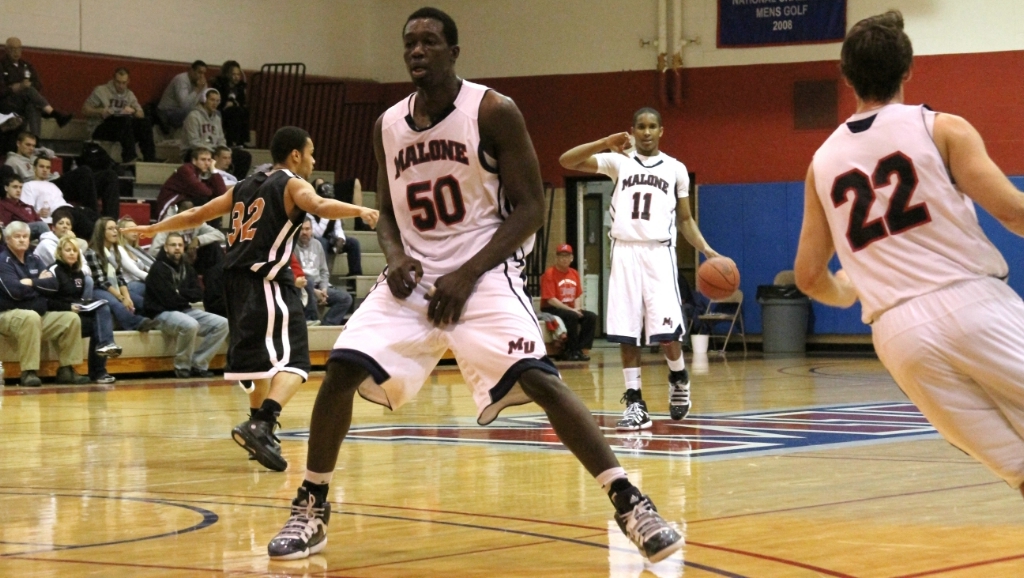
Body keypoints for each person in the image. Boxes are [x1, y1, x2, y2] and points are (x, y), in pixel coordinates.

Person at [255, 8, 683, 563]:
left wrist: (468, 272)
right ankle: (312, 504)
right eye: (409, 42)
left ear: (454, 53)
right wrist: (395, 255)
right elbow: (387, 213)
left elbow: (530, 210)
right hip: (413, 278)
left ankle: (630, 501)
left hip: (484, 274)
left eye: (430, 41)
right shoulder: (387, 123)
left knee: (541, 380)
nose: (417, 50)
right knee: (340, 369)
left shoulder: (493, 110)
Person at [794, 10, 1024, 498]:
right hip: (974, 305)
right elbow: (1014, 214)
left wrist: (850, 291)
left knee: (1020, 470)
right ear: (909, 68)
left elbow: (810, 277)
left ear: (846, 75)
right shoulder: (941, 128)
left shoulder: (821, 163)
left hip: (900, 337)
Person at [120, 125, 378, 473]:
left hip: (234, 284)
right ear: (296, 154)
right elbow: (318, 205)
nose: (314, 160)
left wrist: (153, 229)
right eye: (311, 153)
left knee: (258, 366)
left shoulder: (242, 186)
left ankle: (258, 428)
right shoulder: (290, 183)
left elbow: (198, 214)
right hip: (267, 280)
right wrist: (359, 211)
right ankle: (264, 423)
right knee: (297, 362)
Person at [560, 107, 723, 430]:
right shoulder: (619, 162)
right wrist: (604, 142)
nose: (646, 132)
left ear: (662, 131)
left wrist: (705, 249)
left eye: (652, 126)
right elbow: (567, 160)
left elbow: (686, 219)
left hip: (659, 254)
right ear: (631, 130)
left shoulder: (676, 169)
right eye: (640, 127)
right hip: (624, 253)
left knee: (667, 335)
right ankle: (635, 402)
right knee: (626, 332)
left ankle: (678, 376)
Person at [0, 221, 88, 386]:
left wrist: (31, 283)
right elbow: (15, 292)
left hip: (36, 312)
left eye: (25, 236)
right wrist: (39, 285)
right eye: (17, 237)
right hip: (7, 315)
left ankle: (67, 370)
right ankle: (29, 372)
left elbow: (53, 285)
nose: (22, 240)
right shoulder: (3, 262)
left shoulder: (34, 258)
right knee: (31, 317)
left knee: (70, 319)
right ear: (8, 240)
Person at [144, 232, 228, 379]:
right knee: (190, 325)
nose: (177, 248)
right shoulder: (157, 268)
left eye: (180, 245)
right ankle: (182, 367)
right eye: (173, 245)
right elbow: (167, 300)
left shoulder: (187, 268)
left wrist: (178, 292)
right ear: (165, 247)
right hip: (161, 313)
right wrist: (183, 295)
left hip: (184, 310)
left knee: (223, 324)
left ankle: (199, 363)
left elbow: (198, 293)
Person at [45, 235, 121, 383]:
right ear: (60, 252)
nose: (72, 253)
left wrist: (83, 305)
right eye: (68, 250)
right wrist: (68, 307)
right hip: (57, 317)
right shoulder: (53, 270)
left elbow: (77, 298)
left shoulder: (79, 273)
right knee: (99, 325)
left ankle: (100, 367)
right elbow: (46, 300)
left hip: (75, 315)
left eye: (75, 250)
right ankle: (101, 363)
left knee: (102, 311)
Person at [85, 217, 159, 332]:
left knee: (141, 302)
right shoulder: (92, 252)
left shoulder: (114, 252)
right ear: (101, 232)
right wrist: (121, 297)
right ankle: (137, 323)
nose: (115, 231)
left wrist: (127, 297)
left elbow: (119, 277)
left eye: (115, 228)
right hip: (97, 289)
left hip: (113, 287)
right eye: (110, 229)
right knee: (116, 303)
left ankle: (153, 322)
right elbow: (101, 281)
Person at [0, 37, 72, 136]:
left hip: (26, 100)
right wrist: (14, 88)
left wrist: (26, 86)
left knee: (33, 105)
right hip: (7, 102)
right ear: (6, 50)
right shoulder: (2, 65)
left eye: (19, 48)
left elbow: (38, 84)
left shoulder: (26, 65)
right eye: (12, 49)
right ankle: (55, 114)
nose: (16, 52)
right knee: (28, 90)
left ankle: (36, 141)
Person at [82, 67, 156, 163]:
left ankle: (150, 159)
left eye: (124, 83)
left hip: (123, 127)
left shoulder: (129, 95)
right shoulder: (101, 91)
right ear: (113, 80)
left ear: (128, 81)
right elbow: (85, 110)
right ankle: (129, 157)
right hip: (101, 127)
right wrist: (101, 111)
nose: (121, 86)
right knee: (124, 121)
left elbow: (141, 114)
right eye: (118, 82)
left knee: (144, 123)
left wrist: (133, 111)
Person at [539, 243, 597, 362]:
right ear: (557, 258)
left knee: (591, 317)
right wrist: (571, 310)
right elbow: (551, 299)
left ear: (572, 258)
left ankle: (581, 349)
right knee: (571, 316)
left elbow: (577, 295)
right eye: (561, 256)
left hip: (569, 308)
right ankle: (570, 351)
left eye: (567, 256)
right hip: (551, 307)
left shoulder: (574, 273)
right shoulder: (549, 274)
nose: (564, 259)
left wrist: (578, 309)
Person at [182, 88, 251, 179]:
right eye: (212, 100)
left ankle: (234, 183)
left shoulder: (217, 118)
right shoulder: (193, 116)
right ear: (204, 100)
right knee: (212, 155)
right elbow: (193, 142)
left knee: (244, 156)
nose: (215, 103)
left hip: (214, 150)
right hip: (194, 151)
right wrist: (213, 150)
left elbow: (221, 139)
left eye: (217, 101)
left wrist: (224, 150)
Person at [295, 217, 352, 326]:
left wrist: (324, 289)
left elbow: (324, 272)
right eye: (302, 229)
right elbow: (295, 274)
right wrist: (314, 291)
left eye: (307, 229)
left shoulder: (317, 244)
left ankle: (326, 325)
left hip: (318, 286)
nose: (304, 232)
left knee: (346, 299)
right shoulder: (292, 246)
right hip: (302, 287)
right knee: (309, 282)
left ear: (312, 230)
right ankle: (310, 319)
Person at [153, 147, 226, 221]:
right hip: (171, 203)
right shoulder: (186, 170)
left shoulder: (206, 172)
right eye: (203, 160)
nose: (207, 163)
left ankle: (213, 230)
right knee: (188, 204)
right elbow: (203, 191)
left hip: (185, 199)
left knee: (215, 204)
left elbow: (221, 193)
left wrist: (213, 170)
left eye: (209, 160)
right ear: (194, 161)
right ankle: (184, 230)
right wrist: (211, 190)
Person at [309, 178, 362, 276]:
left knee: (353, 243)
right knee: (322, 241)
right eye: (326, 199)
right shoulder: (310, 212)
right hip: (315, 241)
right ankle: (322, 276)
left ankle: (355, 275)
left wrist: (341, 239)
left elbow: (338, 228)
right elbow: (317, 233)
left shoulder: (334, 211)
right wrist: (327, 214)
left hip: (329, 240)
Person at [157, 60, 207, 129]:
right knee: (193, 114)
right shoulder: (181, 79)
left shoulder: (201, 83)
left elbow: (204, 102)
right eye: (199, 72)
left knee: (214, 113)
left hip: (187, 110)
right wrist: (197, 89)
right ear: (191, 71)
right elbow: (184, 105)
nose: (202, 76)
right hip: (168, 111)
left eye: (204, 73)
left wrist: (203, 88)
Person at [210, 61, 249, 147]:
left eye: (238, 74)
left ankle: (241, 141)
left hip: (235, 110)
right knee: (234, 112)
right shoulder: (219, 84)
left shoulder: (240, 87)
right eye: (233, 74)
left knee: (242, 111)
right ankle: (231, 141)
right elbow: (220, 101)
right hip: (220, 109)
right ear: (227, 74)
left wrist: (233, 103)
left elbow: (241, 101)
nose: (236, 77)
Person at [0, 173, 47, 238]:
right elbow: (4, 228)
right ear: (6, 188)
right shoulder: (2, 205)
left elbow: (39, 221)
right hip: (13, 234)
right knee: (41, 226)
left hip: (31, 234)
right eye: (15, 187)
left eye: (20, 187)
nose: (18, 190)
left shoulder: (28, 206)